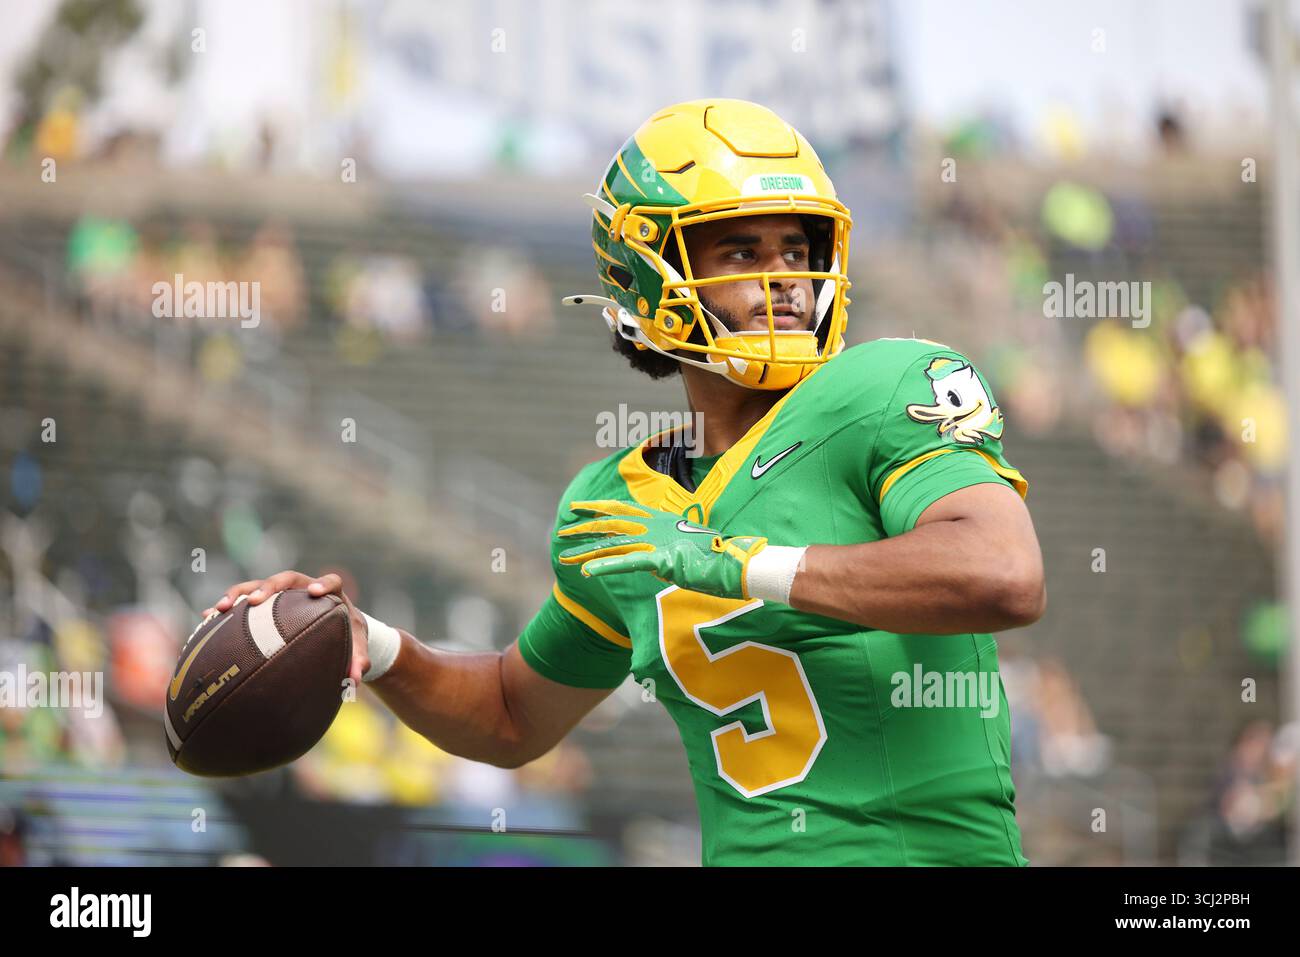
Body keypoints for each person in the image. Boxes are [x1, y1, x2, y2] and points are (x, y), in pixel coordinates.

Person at [203, 99, 1045, 866]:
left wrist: (734, 562)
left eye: (798, 246)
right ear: (650, 273)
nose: (787, 276)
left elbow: (1001, 573)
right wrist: (375, 644)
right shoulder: (617, 506)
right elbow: (509, 712)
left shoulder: (883, 388)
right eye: (744, 249)